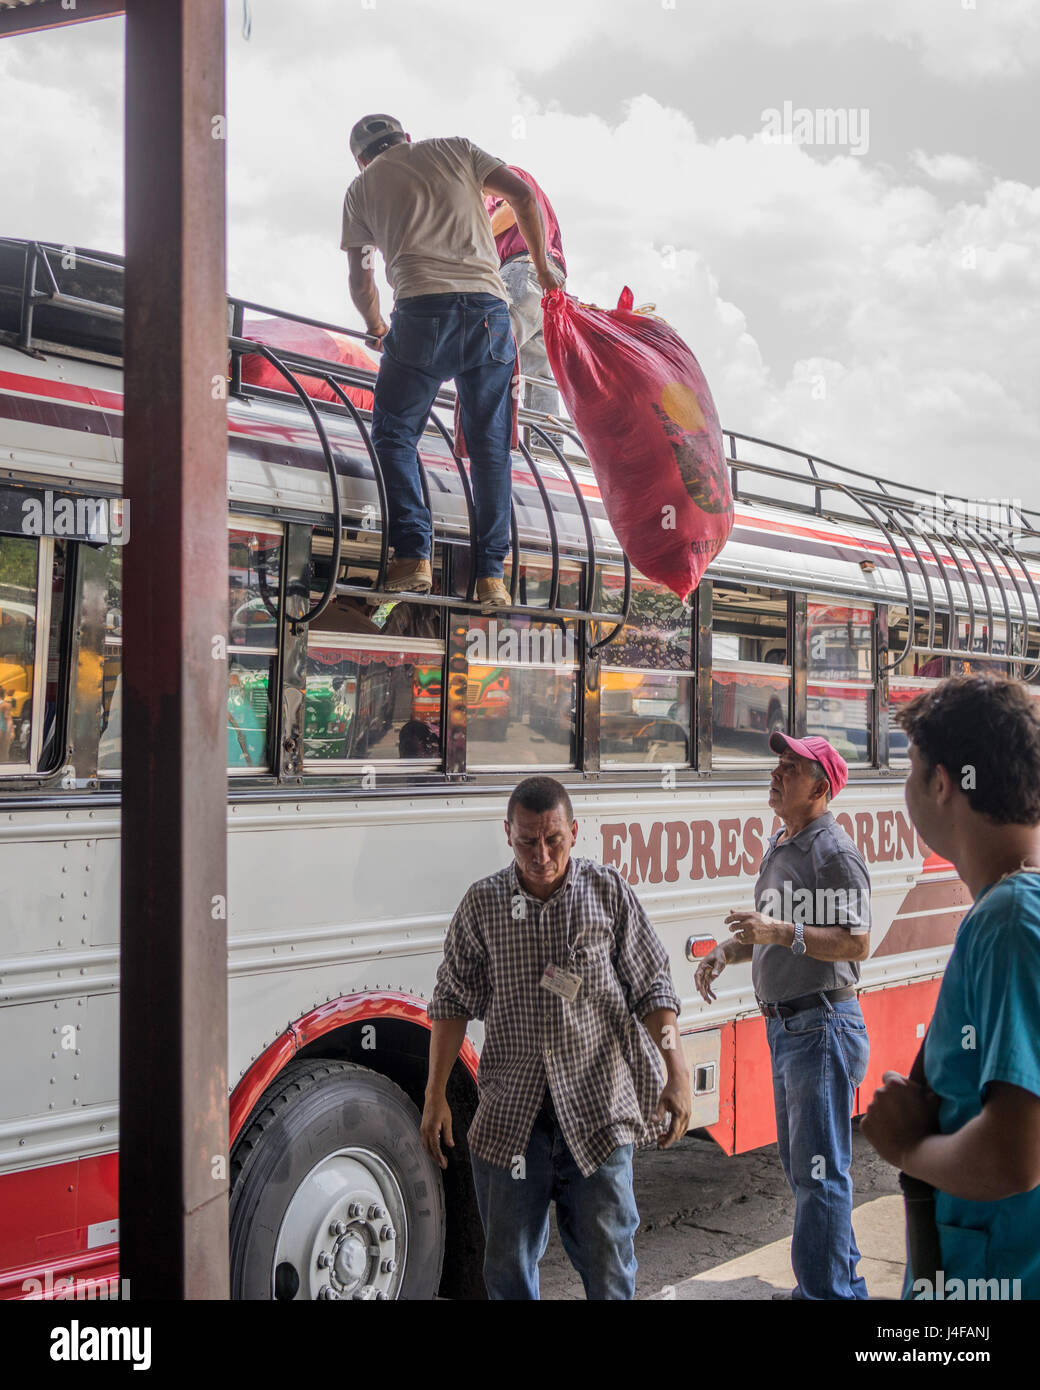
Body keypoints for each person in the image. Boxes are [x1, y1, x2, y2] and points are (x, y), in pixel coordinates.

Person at [422, 774, 690, 1300]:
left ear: (574, 831)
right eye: (526, 841)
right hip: (511, 1118)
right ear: (507, 834)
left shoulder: (607, 893)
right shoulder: (483, 905)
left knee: (609, 1266)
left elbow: (654, 987)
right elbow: (451, 1002)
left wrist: (677, 1071)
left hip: (598, 1113)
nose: (540, 854)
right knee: (507, 1270)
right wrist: (434, 1095)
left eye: (553, 840)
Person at [340, 115, 564, 614]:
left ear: (360, 158)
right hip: (487, 314)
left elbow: (362, 278)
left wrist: (376, 326)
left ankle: (413, 556)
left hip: (420, 317)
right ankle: (490, 577)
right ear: (406, 139)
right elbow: (523, 196)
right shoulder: (457, 149)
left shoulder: (360, 190)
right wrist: (545, 272)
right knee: (491, 452)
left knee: (395, 435)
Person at [861, 675, 1040, 1299]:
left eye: (909, 771)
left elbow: (1013, 1156)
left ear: (942, 783)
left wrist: (906, 1147)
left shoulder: (1009, 919)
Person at [694, 732, 871, 1300]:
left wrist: (779, 932)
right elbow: (780, 936)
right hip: (792, 1027)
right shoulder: (785, 843)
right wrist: (731, 951)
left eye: (792, 769)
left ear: (820, 788)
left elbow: (855, 942)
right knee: (811, 1174)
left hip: (820, 1026)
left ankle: (824, 1295)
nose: (777, 773)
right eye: (779, 764)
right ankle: (837, 1288)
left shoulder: (832, 851)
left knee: (818, 1175)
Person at [484, 166, 566, 436]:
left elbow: (510, 209)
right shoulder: (527, 184)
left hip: (522, 271)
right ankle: (547, 448)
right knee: (537, 371)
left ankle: (487, 436)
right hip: (546, 278)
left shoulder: (502, 175)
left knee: (490, 352)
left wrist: (473, 232)